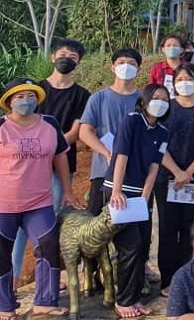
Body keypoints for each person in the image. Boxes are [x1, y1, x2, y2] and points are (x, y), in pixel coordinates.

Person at [0, 78, 80, 319]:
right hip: (4, 203)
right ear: (9, 102)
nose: (26, 100)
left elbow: (61, 158)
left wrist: (67, 190)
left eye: (30, 96)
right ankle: (5, 306)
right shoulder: (1, 126)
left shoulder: (50, 124)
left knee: (48, 246)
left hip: (39, 202)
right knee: (1, 252)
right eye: (20, 97)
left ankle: (44, 301)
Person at [12, 39, 90, 279]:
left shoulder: (82, 95)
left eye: (73, 55)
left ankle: (48, 277)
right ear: (53, 57)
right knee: (19, 224)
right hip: (30, 165)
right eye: (63, 53)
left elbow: (76, 131)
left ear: (78, 62)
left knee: (50, 222)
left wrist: (52, 147)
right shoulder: (34, 90)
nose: (68, 58)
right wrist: (44, 147)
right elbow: (23, 123)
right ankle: (13, 277)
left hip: (63, 164)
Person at [105, 84, 172, 318]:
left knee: (143, 246)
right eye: (156, 98)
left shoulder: (163, 132)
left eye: (165, 99)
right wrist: (116, 190)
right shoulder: (132, 121)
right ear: (144, 100)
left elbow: (154, 167)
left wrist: (145, 196)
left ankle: (134, 297)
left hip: (141, 196)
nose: (160, 102)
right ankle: (123, 301)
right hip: (120, 192)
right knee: (129, 246)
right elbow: (120, 156)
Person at [153, 63, 194, 296]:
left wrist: (189, 172)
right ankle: (168, 280)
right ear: (173, 83)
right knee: (167, 228)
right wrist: (177, 171)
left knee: (189, 228)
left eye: (190, 77)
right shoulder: (167, 109)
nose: (184, 82)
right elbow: (158, 143)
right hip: (167, 178)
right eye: (180, 78)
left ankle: (186, 276)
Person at [79, 48, 142, 217]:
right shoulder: (98, 98)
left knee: (130, 225)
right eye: (121, 63)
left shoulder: (144, 101)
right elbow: (85, 132)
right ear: (112, 68)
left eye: (131, 64)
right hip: (103, 170)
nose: (126, 67)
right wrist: (107, 153)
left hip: (135, 173)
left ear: (139, 69)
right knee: (96, 224)